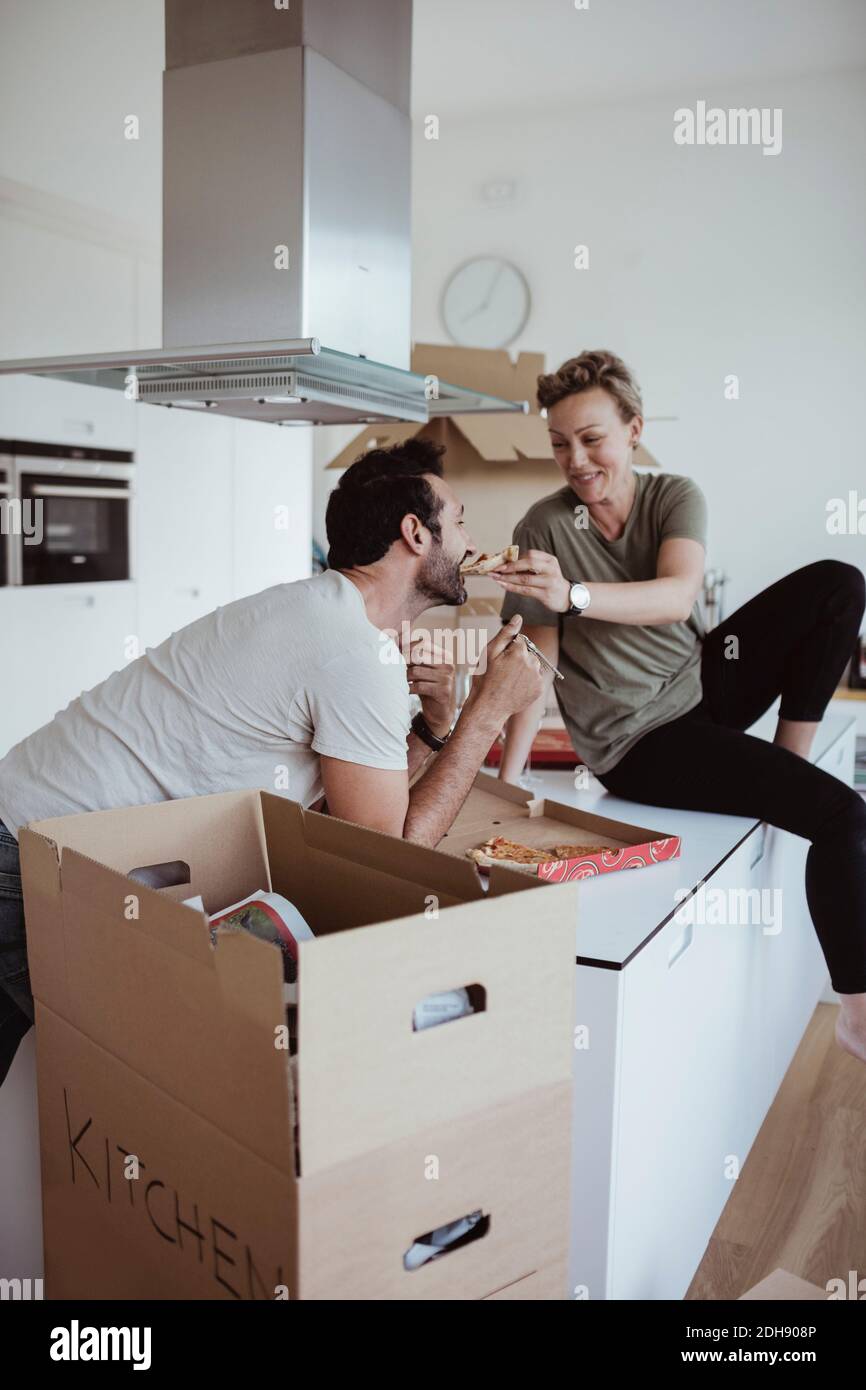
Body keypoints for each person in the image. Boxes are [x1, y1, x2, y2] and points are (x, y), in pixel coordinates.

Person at [0, 438, 544, 1084]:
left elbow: (347, 823)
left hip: (30, 834)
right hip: (28, 866)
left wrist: (435, 724)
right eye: (456, 521)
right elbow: (385, 859)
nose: (468, 538)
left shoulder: (321, 613)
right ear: (415, 534)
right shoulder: (351, 651)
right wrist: (485, 715)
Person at [493, 349, 866, 1064]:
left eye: (593, 437)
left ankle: (785, 767)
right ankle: (857, 1014)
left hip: (704, 683)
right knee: (845, 816)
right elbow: (534, 665)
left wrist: (570, 594)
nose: (576, 459)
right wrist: (508, 786)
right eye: (560, 443)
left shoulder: (674, 496)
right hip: (640, 744)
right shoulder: (543, 526)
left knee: (839, 583)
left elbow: (676, 597)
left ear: (633, 429)